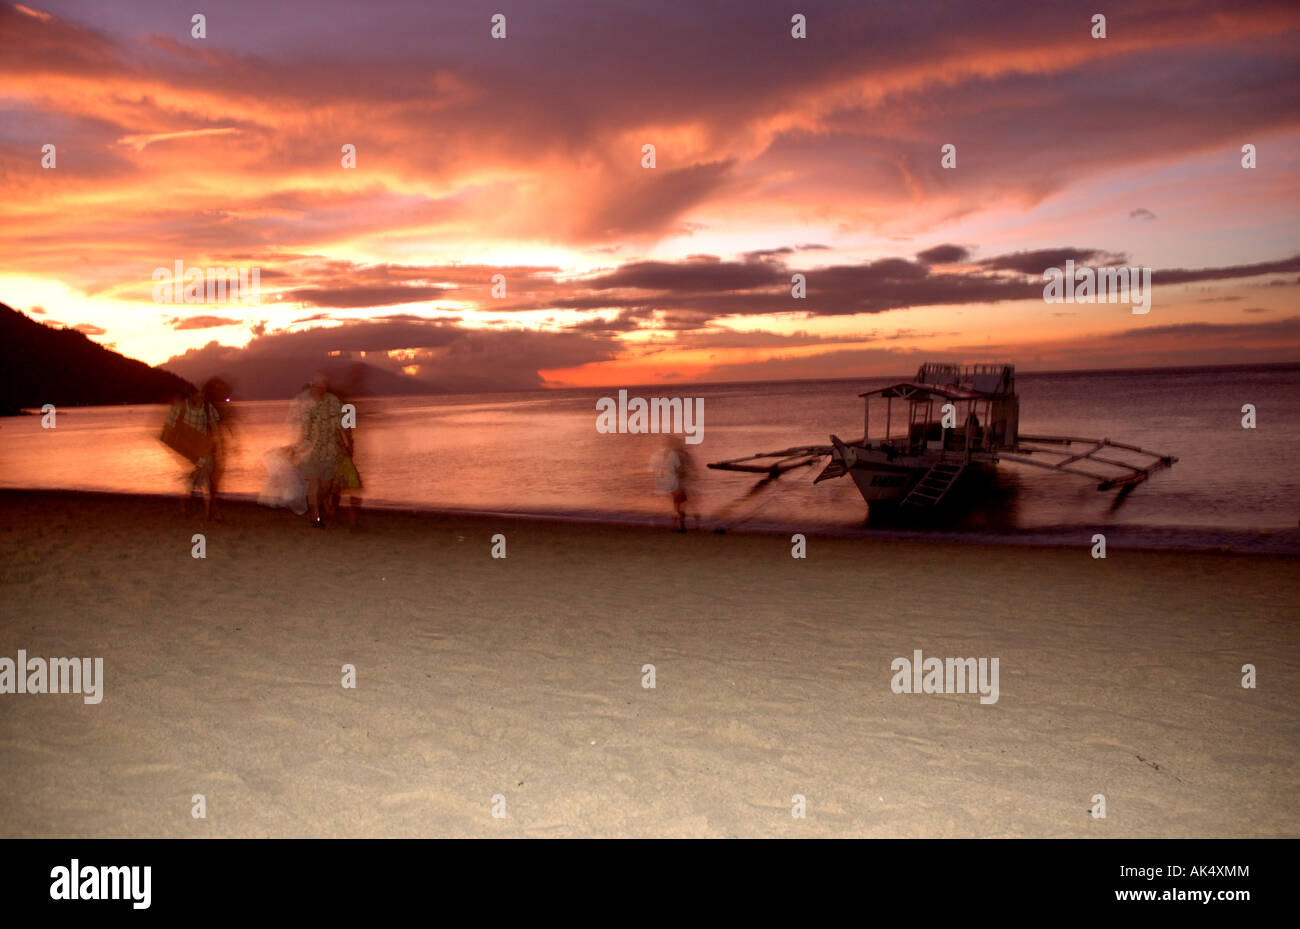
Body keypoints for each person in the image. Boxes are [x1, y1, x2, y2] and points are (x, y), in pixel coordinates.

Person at [293, 371, 348, 527]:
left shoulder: (334, 401)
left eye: (323, 383)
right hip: (309, 450)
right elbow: (297, 426)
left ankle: (316, 505)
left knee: (326, 486)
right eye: (317, 383)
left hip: (330, 450)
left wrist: (347, 444)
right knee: (313, 482)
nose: (320, 386)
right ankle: (315, 516)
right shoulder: (303, 403)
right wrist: (296, 448)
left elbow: (344, 425)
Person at [163, 381, 224, 520]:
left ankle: (208, 513)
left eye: (202, 393)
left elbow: (215, 428)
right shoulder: (181, 408)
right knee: (191, 480)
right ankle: (184, 508)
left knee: (207, 480)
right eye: (198, 394)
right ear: (191, 395)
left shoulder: (208, 408)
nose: (201, 396)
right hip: (188, 450)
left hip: (204, 447)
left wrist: (218, 446)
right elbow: (169, 426)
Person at [650, 435, 694, 532]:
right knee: (680, 505)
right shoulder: (684, 455)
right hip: (682, 484)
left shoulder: (675, 455)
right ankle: (680, 525)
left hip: (676, 484)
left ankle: (681, 526)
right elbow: (687, 469)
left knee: (677, 505)